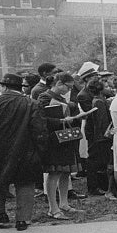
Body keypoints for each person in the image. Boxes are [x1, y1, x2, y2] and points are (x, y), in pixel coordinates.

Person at [0, 73, 47, 231]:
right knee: (25, 183)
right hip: (25, 150)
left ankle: (1, 214)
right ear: (21, 87)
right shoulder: (31, 103)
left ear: (3, 87)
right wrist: (41, 151)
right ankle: (22, 219)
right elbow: (39, 131)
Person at [38, 72, 89, 220]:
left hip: (65, 139)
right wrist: (62, 120)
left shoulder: (60, 98)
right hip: (54, 140)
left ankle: (64, 203)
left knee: (65, 172)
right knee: (54, 173)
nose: (69, 90)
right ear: (59, 83)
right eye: (68, 87)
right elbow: (42, 119)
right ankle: (53, 208)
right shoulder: (44, 97)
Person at [80, 77, 112, 196]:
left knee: (97, 161)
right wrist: (105, 136)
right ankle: (94, 186)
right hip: (98, 137)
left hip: (97, 136)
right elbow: (101, 122)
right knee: (95, 161)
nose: (109, 88)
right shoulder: (99, 102)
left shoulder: (98, 100)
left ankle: (99, 185)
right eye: (106, 86)